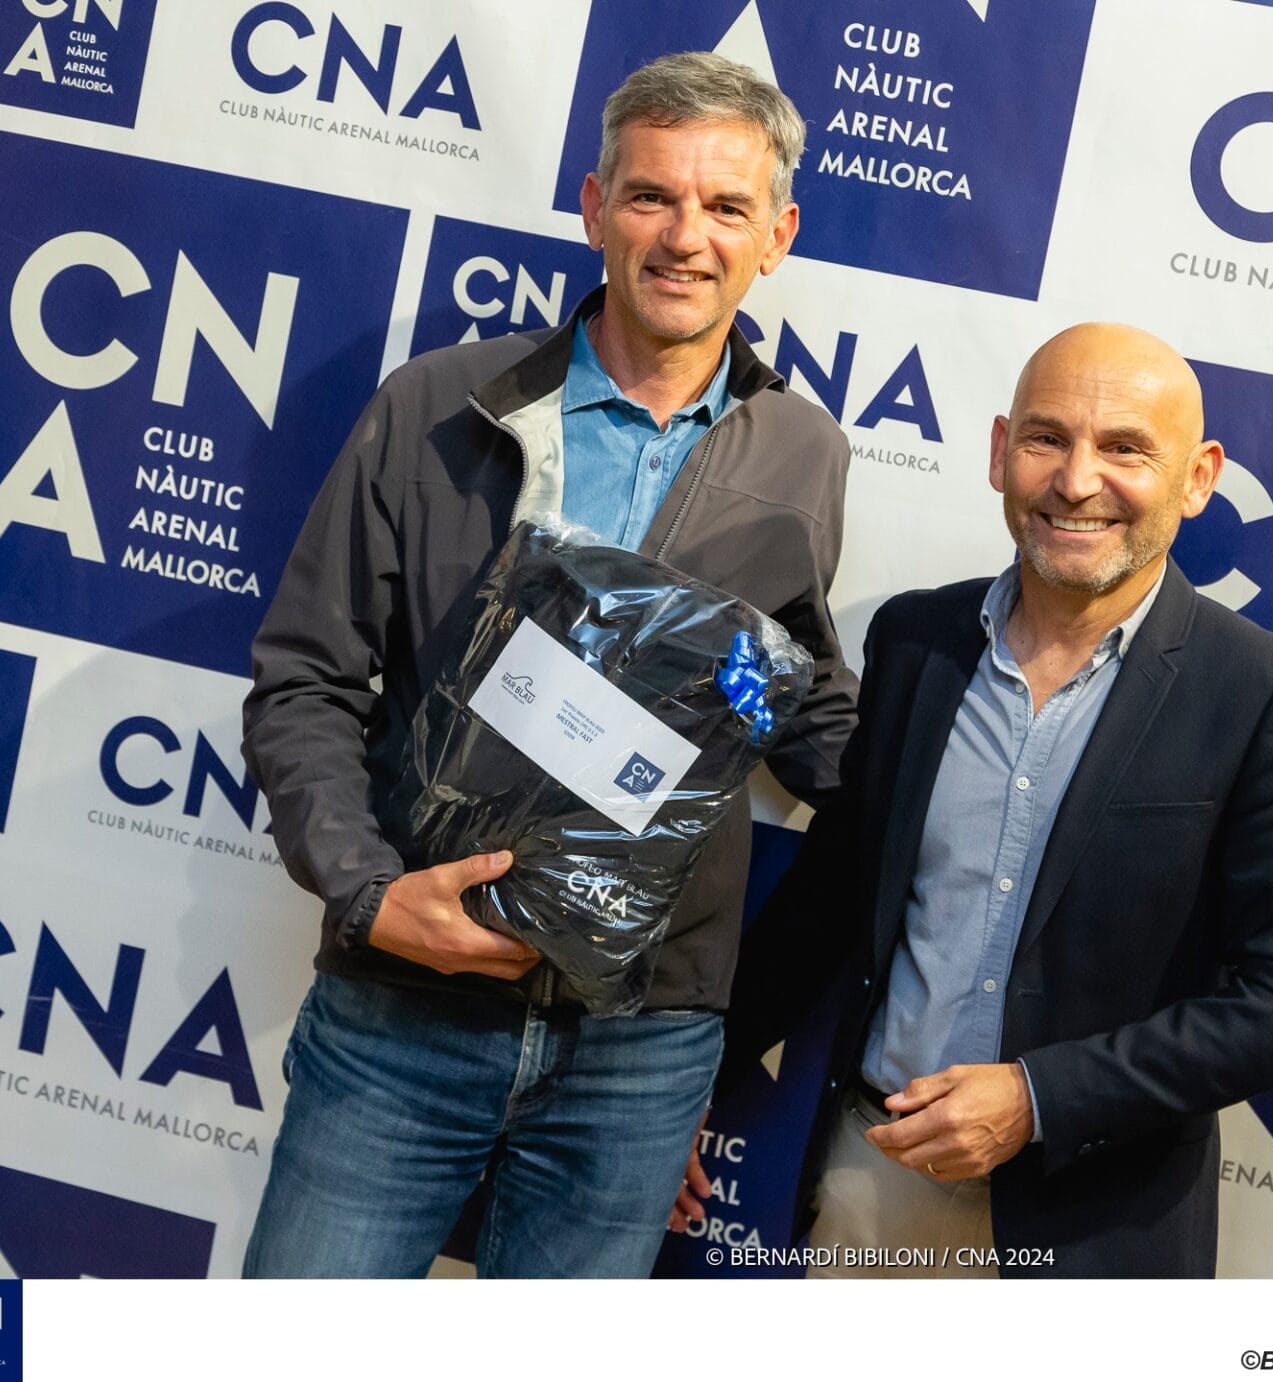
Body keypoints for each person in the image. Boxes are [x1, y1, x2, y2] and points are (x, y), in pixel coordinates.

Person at [240, 52, 857, 1278]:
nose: (685, 236)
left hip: (639, 1052)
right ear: (594, 207)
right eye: (652, 195)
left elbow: (786, 694)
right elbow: (306, 679)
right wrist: (368, 894)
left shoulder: (804, 450)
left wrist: (955, 733)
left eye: (726, 206)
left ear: (777, 236)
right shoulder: (436, 406)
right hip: (403, 1006)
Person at [717, 322, 1273, 1278]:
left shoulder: (1267, 696)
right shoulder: (916, 641)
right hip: (872, 1185)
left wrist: (1037, 1098)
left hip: (1099, 1231)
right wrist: (690, 1089)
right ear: (998, 452)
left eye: (1126, 449)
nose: (1076, 480)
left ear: (1198, 479)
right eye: (1047, 438)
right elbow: (833, 896)